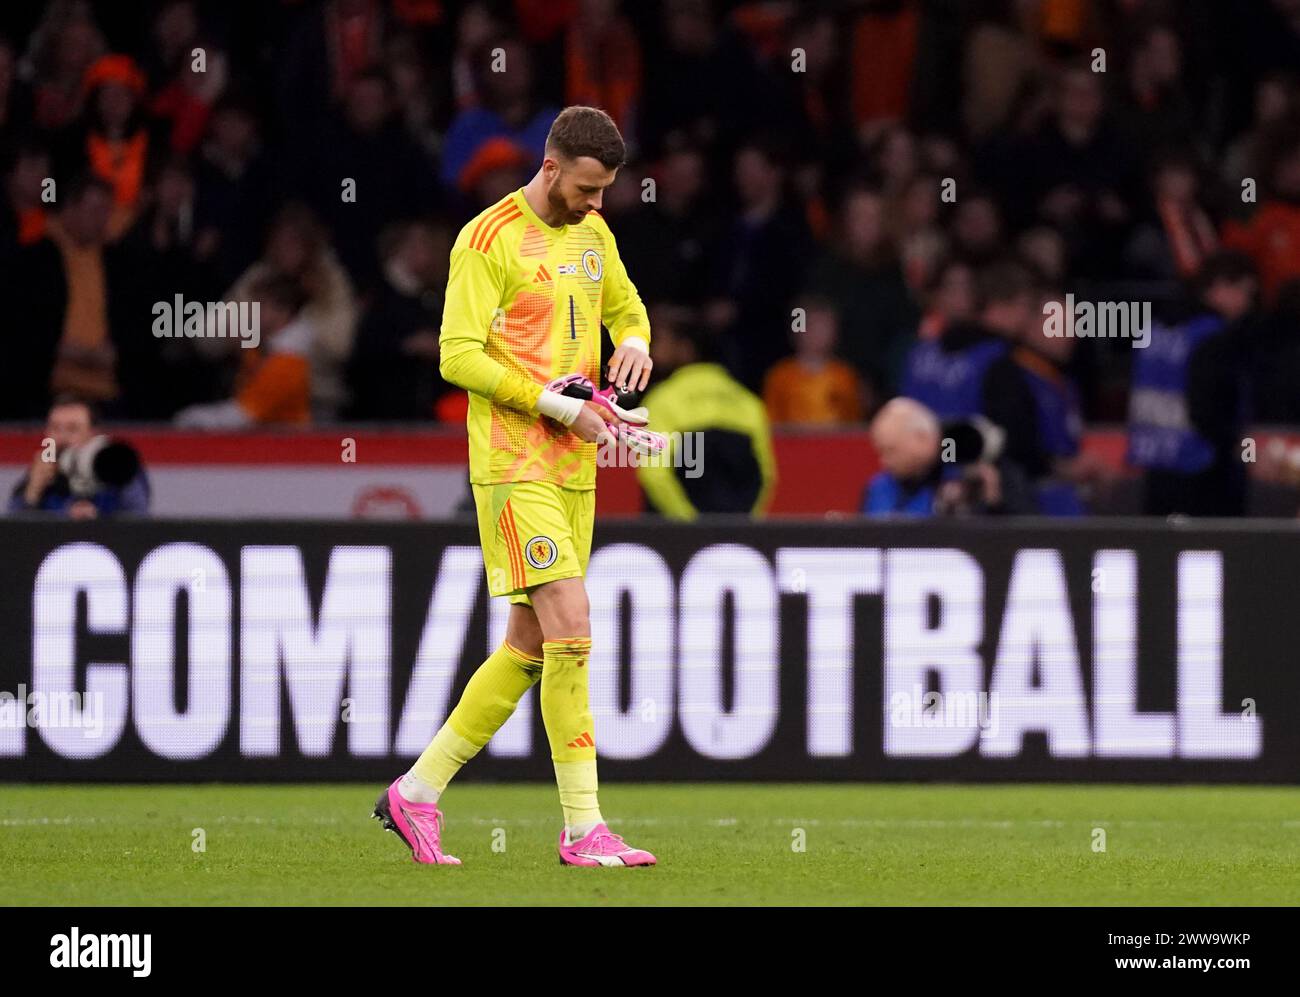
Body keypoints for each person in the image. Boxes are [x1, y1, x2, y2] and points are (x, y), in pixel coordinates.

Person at [373, 106, 657, 868]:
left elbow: (626, 306)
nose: (598, 204)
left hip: (575, 467)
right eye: (589, 188)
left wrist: (633, 342)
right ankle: (583, 826)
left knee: (529, 647)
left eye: (607, 191)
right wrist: (559, 403)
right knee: (572, 622)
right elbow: (456, 356)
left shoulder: (594, 234)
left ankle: (416, 792)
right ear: (553, 166)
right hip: (513, 462)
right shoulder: (486, 239)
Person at [1127, 251, 1259, 516]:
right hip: (1201, 472)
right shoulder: (1212, 337)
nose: (1246, 304)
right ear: (1219, 286)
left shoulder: (1154, 329)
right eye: (1243, 292)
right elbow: (1209, 411)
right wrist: (1242, 449)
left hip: (1155, 468)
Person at [638, 305, 776, 518]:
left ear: (685, 348)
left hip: (676, 540)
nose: (652, 351)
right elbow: (766, 476)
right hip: (737, 535)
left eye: (659, 341)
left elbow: (654, 475)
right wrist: (744, 526)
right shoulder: (748, 402)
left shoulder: (662, 400)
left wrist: (692, 525)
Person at [8, 395, 149, 517]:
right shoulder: (42, 471)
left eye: (72, 429)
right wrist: (32, 492)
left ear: (93, 434)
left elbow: (137, 515)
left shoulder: (116, 464)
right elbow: (14, 531)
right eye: (55, 428)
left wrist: (98, 516)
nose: (61, 437)